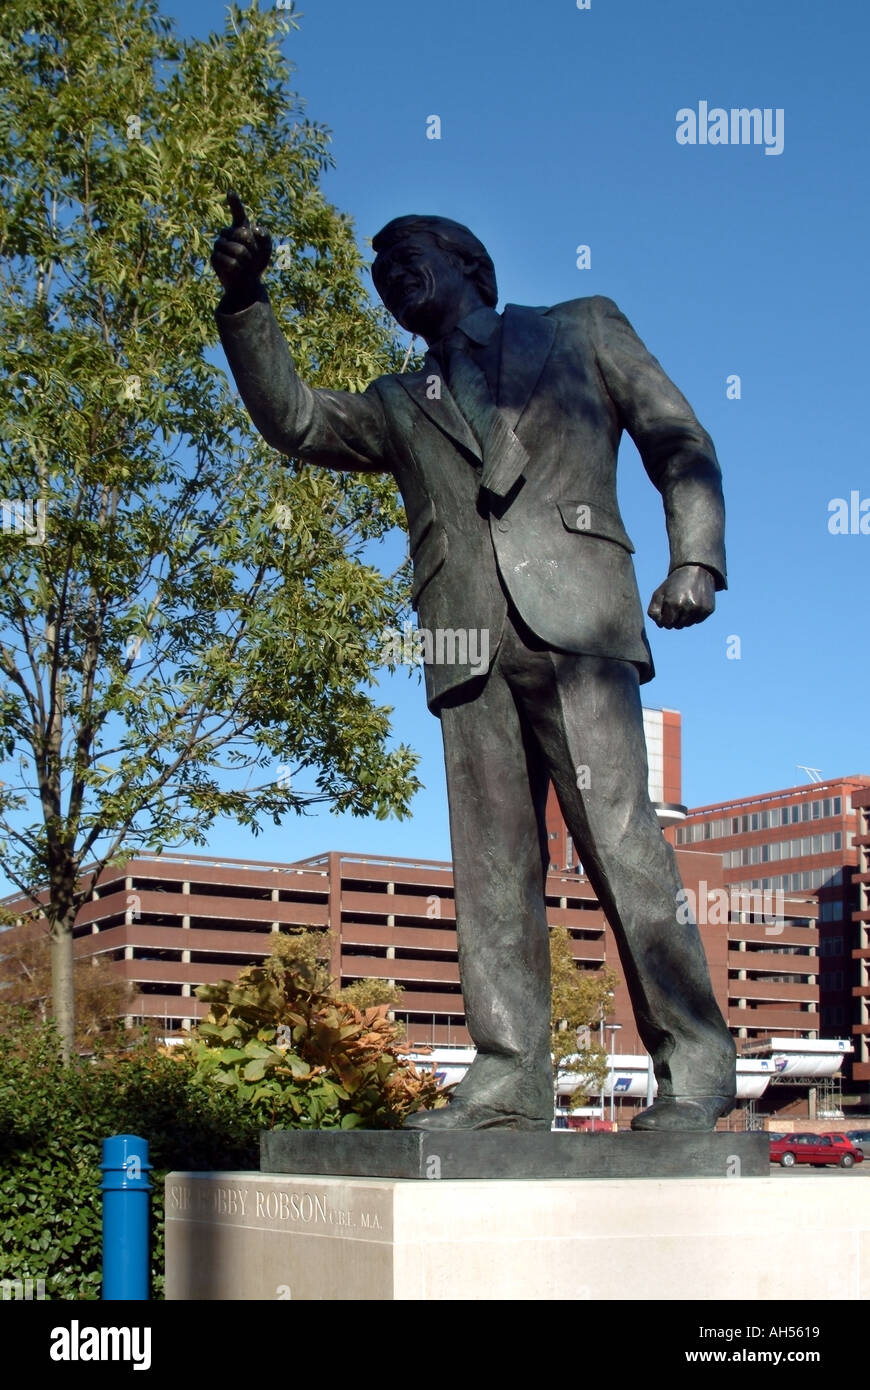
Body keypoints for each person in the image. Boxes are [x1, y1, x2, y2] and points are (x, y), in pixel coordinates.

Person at [212, 195, 737, 1132]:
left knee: (624, 846)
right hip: (464, 643)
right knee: (491, 867)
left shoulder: (582, 330)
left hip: (578, 625)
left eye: (408, 259)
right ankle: (508, 1076)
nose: (392, 281)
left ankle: (696, 1063)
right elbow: (292, 420)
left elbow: (678, 440)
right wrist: (247, 302)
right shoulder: (395, 402)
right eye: (381, 279)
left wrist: (693, 558)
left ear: (472, 265)